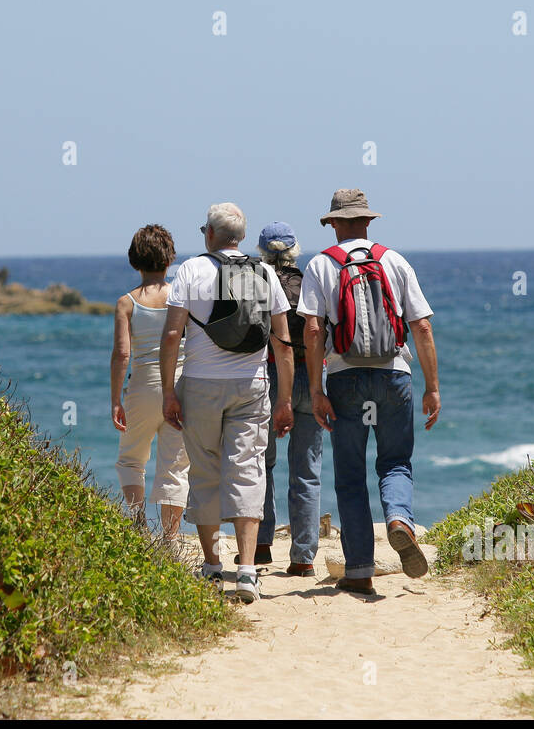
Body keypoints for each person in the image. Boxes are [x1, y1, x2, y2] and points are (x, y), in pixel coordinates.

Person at [298, 189, 441, 596]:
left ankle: (359, 570)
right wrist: (432, 387)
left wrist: (317, 389)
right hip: (393, 375)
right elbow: (423, 327)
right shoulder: (394, 261)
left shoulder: (321, 264)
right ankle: (398, 520)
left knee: (349, 475)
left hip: (345, 379)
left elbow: (312, 330)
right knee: (395, 462)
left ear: (333, 224)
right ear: (368, 221)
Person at [160, 202, 295, 604]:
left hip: (200, 383)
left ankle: (212, 565)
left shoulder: (190, 270)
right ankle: (249, 571)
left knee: (204, 471)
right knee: (248, 471)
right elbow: (283, 345)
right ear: (239, 236)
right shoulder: (265, 271)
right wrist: (284, 399)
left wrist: (168, 391)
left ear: (209, 234)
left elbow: (171, 336)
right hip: (252, 385)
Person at [111, 224, 189, 543]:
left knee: (131, 458)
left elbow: (122, 354)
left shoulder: (126, 302)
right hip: (180, 386)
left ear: (135, 261)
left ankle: (139, 527)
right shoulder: (181, 296)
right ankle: (169, 540)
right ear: (169, 259)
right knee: (174, 466)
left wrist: (116, 399)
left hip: (142, 385)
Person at [253, 222, 323, 576]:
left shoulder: (255, 282)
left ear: (262, 253)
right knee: (306, 472)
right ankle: (303, 557)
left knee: (262, 465)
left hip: (270, 378)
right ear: (295, 251)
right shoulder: (311, 279)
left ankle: (261, 544)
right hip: (310, 376)